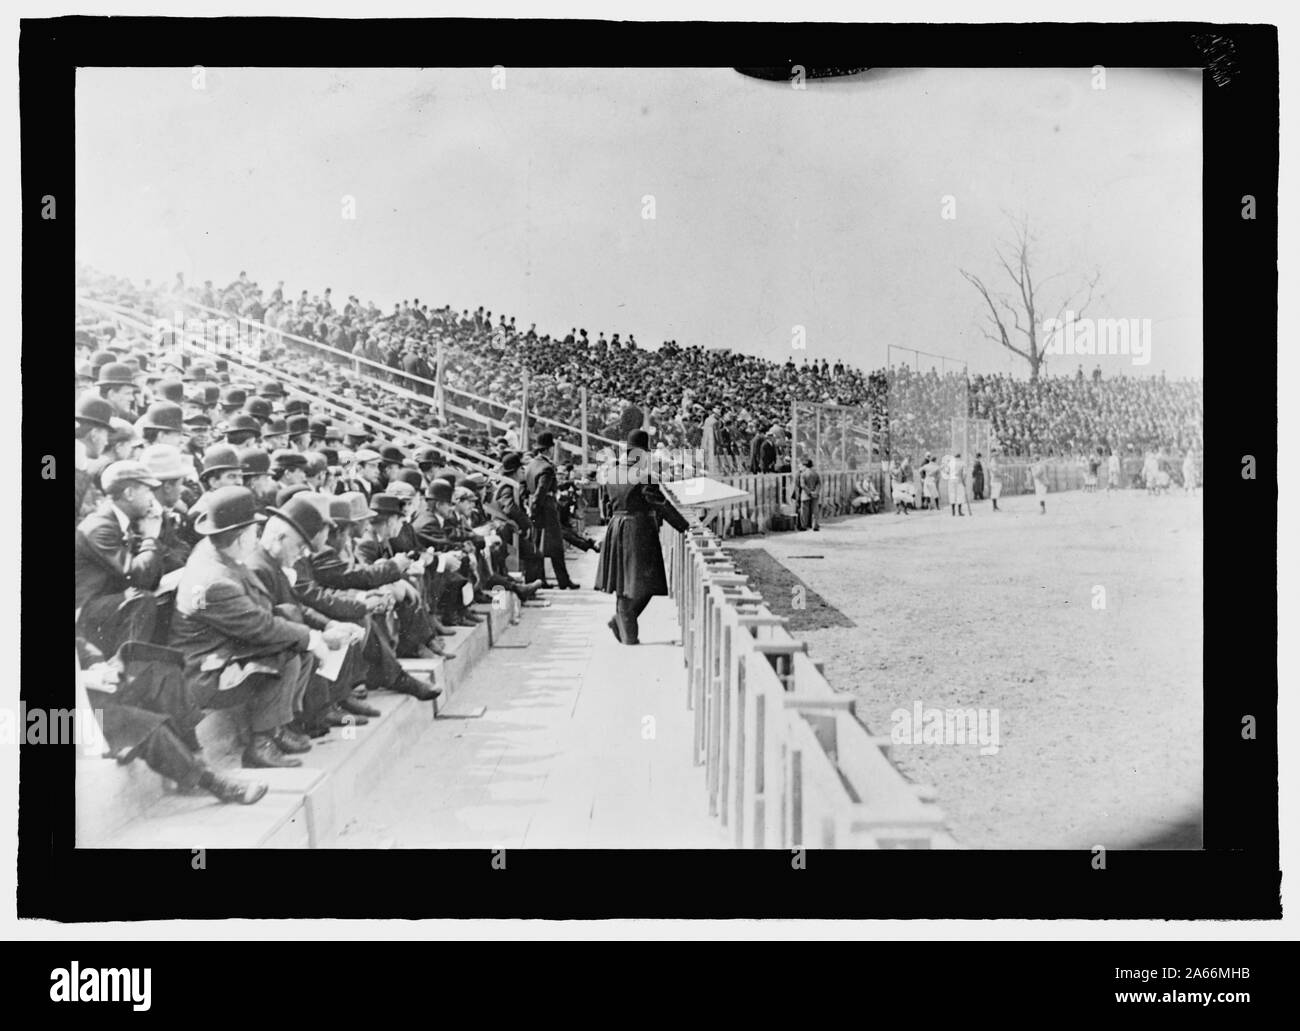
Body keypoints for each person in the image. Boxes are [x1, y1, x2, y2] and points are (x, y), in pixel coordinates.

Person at [167, 486, 317, 769]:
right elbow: (260, 627)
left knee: (292, 629)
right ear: (239, 538)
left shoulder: (218, 553)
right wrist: (312, 637)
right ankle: (260, 745)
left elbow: (261, 612)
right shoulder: (214, 580)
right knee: (287, 651)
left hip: (224, 651)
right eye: (253, 531)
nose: (257, 536)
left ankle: (276, 727)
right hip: (205, 673)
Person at [595, 429, 689, 645]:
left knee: (624, 582)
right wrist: (683, 526)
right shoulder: (643, 475)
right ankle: (627, 632)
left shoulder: (612, 473)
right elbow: (659, 503)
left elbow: (607, 505)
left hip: (616, 527)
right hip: (638, 530)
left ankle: (623, 626)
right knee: (645, 583)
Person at [75, 460, 165, 657]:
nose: (152, 499)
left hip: (105, 604)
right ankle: (126, 669)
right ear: (129, 493)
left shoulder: (124, 521)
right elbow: (140, 578)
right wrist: (151, 538)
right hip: (85, 614)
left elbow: (151, 574)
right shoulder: (99, 528)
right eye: (148, 491)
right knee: (141, 600)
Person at [795, 458, 821, 530]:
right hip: (815, 495)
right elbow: (819, 484)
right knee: (815, 511)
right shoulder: (816, 474)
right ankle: (815, 525)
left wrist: (809, 493)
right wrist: (815, 492)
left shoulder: (803, 474)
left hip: (805, 495)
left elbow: (802, 485)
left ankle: (803, 526)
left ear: (805, 466)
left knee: (804, 511)